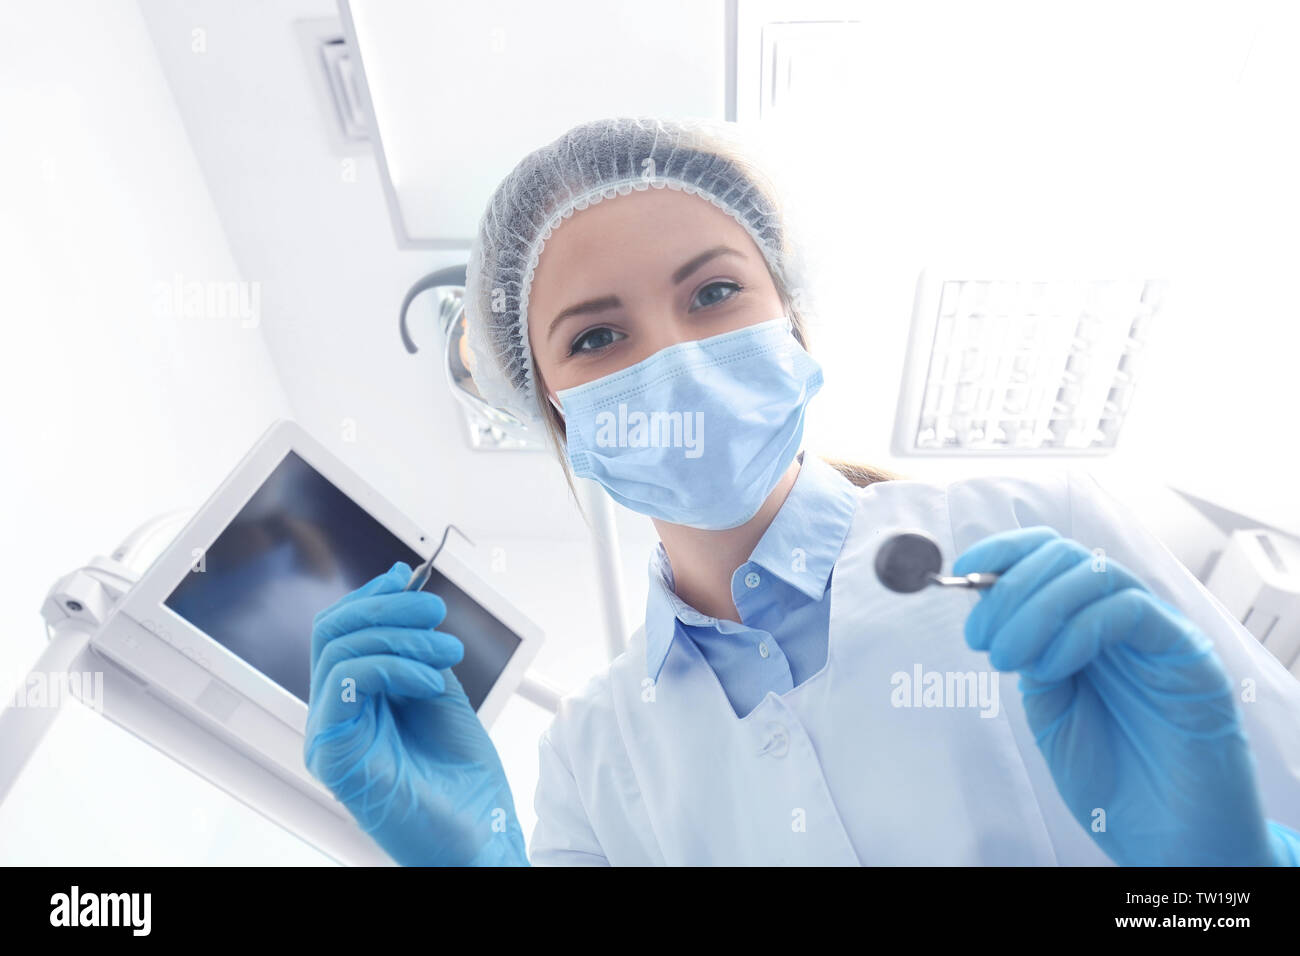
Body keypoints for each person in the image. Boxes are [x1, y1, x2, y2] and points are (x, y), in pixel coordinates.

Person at [303, 116, 1300, 866]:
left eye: (712, 292)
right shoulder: (589, 758)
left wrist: (1213, 881)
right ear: (555, 411)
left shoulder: (1037, 530)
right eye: (597, 336)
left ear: (793, 316)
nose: (678, 355)